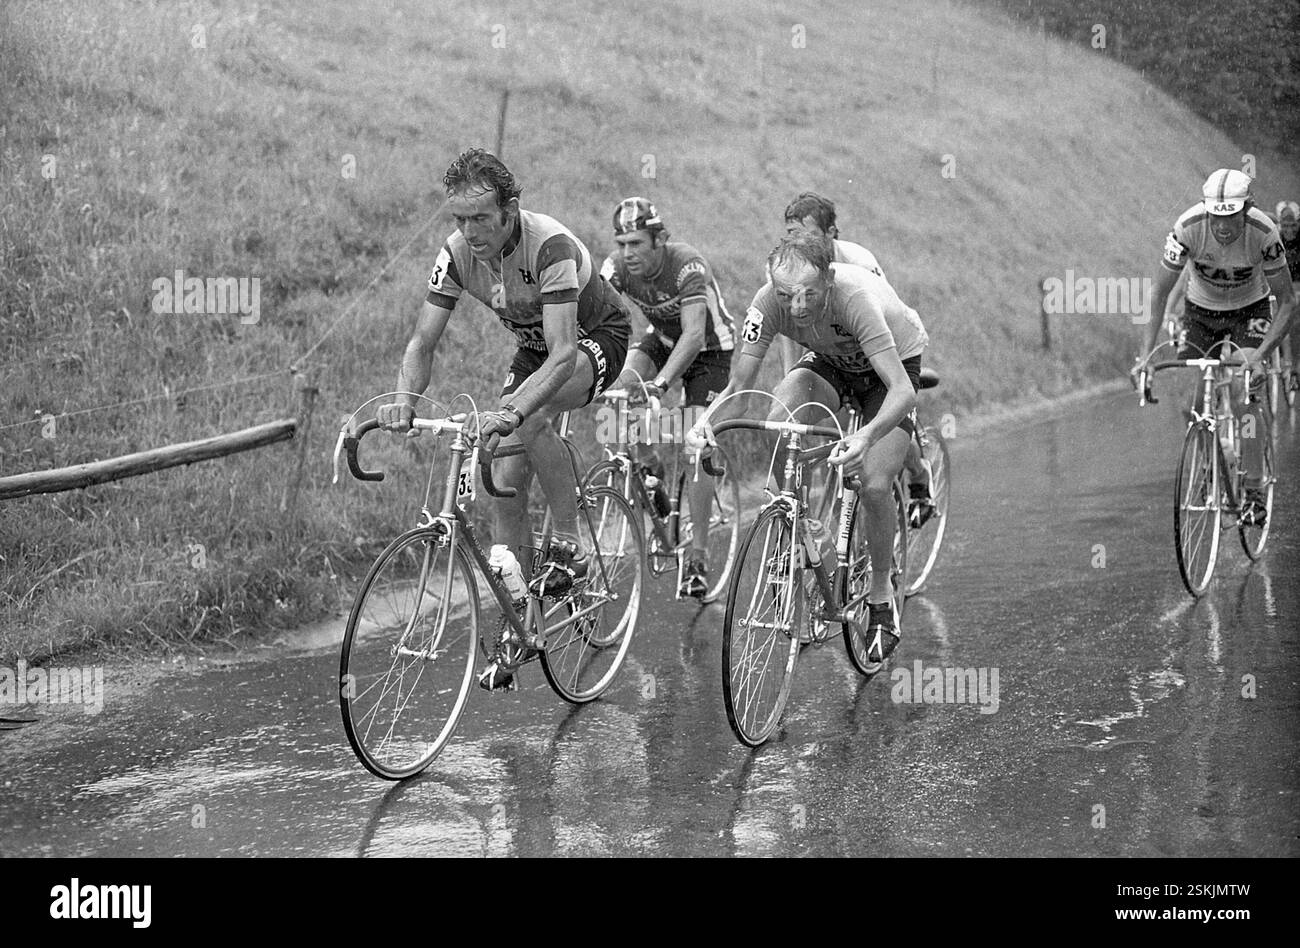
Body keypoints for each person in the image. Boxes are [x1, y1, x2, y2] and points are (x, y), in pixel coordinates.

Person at [377, 149, 630, 688]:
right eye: (459, 219)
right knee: (505, 483)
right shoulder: (456, 252)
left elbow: (563, 356)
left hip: (591, 339)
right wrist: (405, 397)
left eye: (481, 219)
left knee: (529, 420)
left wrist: (514, 408)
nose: (469, 232)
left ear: (510, 210)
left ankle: (569, 545)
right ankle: (519, 621)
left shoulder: (550, 247)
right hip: (535, 350)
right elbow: (423, 339)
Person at [687, 234, 928, 674]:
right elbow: (739, 389)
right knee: (782, 414)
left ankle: (880, 596)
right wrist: (708, 427)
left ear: (829, 279)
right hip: (832, 361)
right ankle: (794, 522)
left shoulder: (854, 299)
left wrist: (867, 436)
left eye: (809, 294)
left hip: (888, 374)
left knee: (873, 482)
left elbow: (902, 391)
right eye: (786, 295)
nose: (796, 306)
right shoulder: (766, 304)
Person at [1135, 169, 1295, 525]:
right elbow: (1160, 293)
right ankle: (1209, 463)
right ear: (1206, 210)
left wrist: (1262, 356)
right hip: (1200, 312)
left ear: (1247, 209)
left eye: (1231, 216)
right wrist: (1145, 355)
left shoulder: (1264, 234)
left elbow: (1286, 301)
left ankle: (1253, 490)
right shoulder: (1186, 227)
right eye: (1216, 216)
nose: (1222, 226)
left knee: (1242, 392)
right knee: (1190, 399)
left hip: (1249, 311)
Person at [600, 197, 736, 597]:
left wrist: (659, 385)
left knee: (696, 441)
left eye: (637, 243)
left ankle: (696, 556)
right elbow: (596, 314)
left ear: (659, 239)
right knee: (619, 395)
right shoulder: (618, 267)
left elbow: (694, 335)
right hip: (660, 340)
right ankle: (650, 468)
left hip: (711, 352)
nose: (628, 253)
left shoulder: (687, 264)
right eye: (622, 243)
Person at [782, 191, 933, 524]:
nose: (799, 242)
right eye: (792, 234)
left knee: (883, 426)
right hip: (836, 351)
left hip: (879, 347)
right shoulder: (791, 267)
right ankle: (821, 515)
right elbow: (790, 330)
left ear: (831, 233)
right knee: (813, 419)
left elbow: (885, 318)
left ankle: (918, 472)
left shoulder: (859, 262)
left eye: (808, 234)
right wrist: (790, 376)